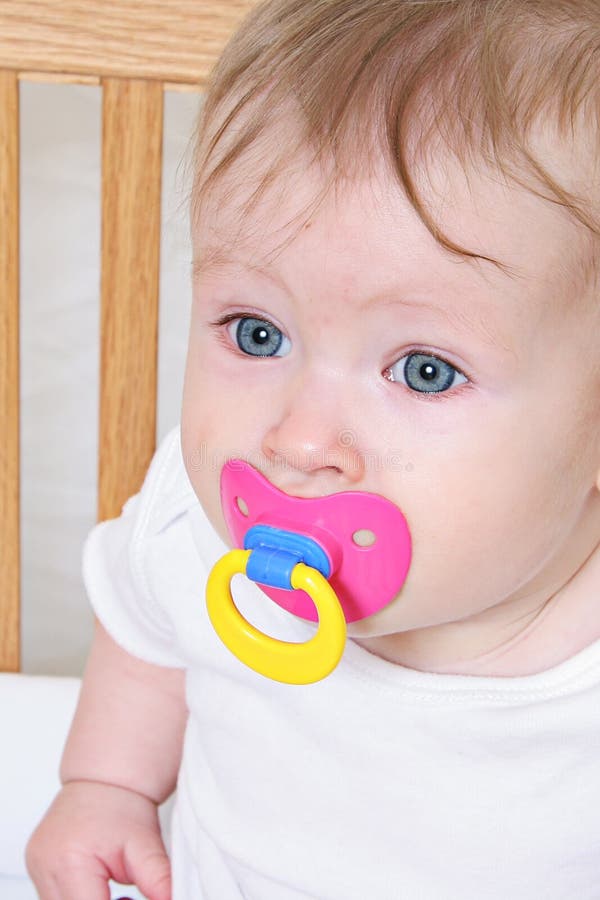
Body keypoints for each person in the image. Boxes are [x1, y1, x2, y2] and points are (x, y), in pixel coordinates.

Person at [26, 0, 600, 897]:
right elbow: (145, 623)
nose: (297, 442)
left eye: (422, 370)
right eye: (257, 334)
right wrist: (108, 787)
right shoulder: (201, 517)